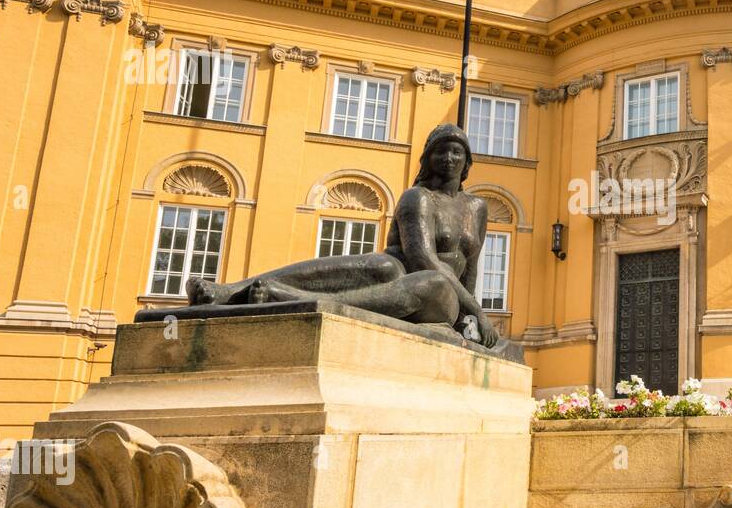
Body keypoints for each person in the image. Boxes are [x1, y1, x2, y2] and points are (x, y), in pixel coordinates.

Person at [184, 122, 501, 348]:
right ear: (428, 158)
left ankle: (298, 299)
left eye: (456, 152)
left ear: (467, 160)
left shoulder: (476, 207)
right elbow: (422, 258)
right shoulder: (417, 197)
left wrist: (470, 315)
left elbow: (470, 268)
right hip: (407, 273)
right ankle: (232, 291)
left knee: (432, 282)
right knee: (385, 266)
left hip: (439, 298)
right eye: (440, 152)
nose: (448, 159)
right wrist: (475, 308)